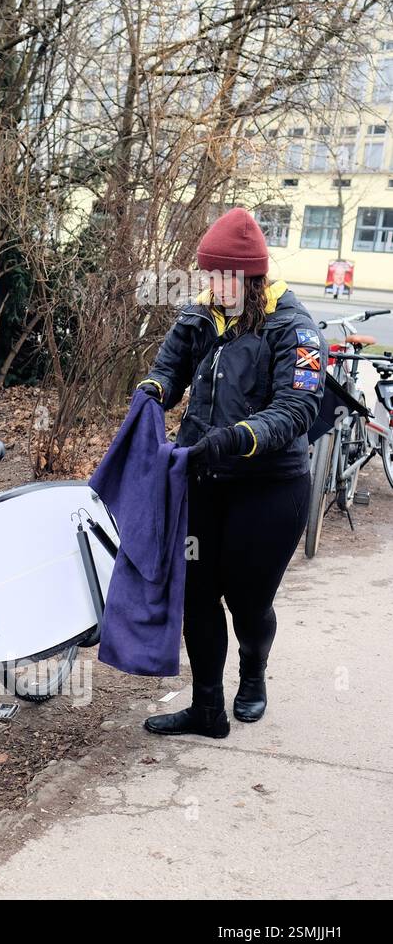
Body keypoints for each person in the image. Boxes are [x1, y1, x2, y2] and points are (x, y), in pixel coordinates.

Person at [138, 207, 324, 739]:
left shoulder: (294, 328)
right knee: (197, 593)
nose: (212, 287)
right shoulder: (199, 314)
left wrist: (239, 436)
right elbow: (168, 367)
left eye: (223, 278)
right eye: (207, 276)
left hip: (269, 490)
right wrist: (155, 391)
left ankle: (253, 674)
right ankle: (206, 708)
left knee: (248, 600)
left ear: (251, 278)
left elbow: (298, 408)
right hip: (203, 479)